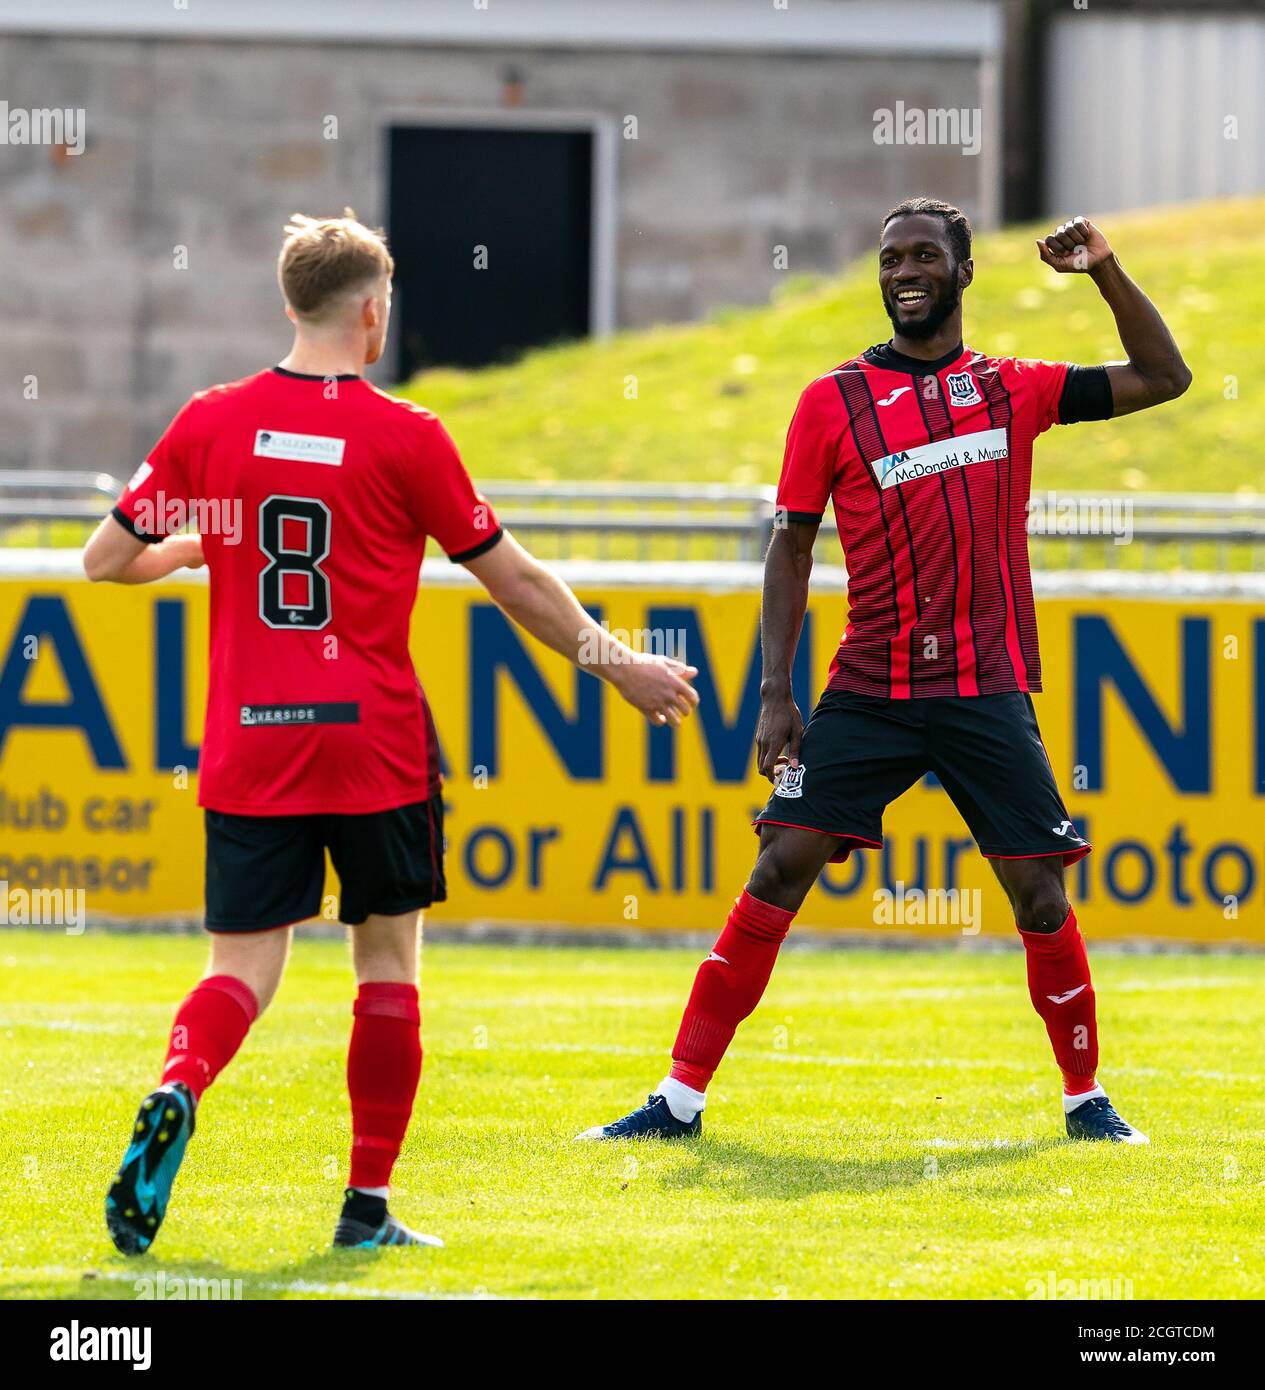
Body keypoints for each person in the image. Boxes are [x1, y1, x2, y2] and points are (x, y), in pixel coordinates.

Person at [85, 210, 698, 1253]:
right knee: (387, 964)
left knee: (240, 969)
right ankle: (363, 1209)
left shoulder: (211, 420)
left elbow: (103, 560)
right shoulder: (407, 434)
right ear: (372, 312)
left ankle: (180, 1087)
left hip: (250, 740)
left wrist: (192, 550)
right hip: (368, 741)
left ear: (289, 304)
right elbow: (515, 581)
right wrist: (620, 664)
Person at [579, 198, 1189, 1147]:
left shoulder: (1011, 388)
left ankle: (1085, 1101)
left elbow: (1163, 375)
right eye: (888, 257)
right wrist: (777, 694)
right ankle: (677, 1100)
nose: (903, 271)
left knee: (1038, 890)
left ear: (962, 271)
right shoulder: (832, 399)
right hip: (868, 686)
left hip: (984, 686)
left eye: (922, 256)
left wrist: (1104, 268)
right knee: (780, 864)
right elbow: (789, 546)